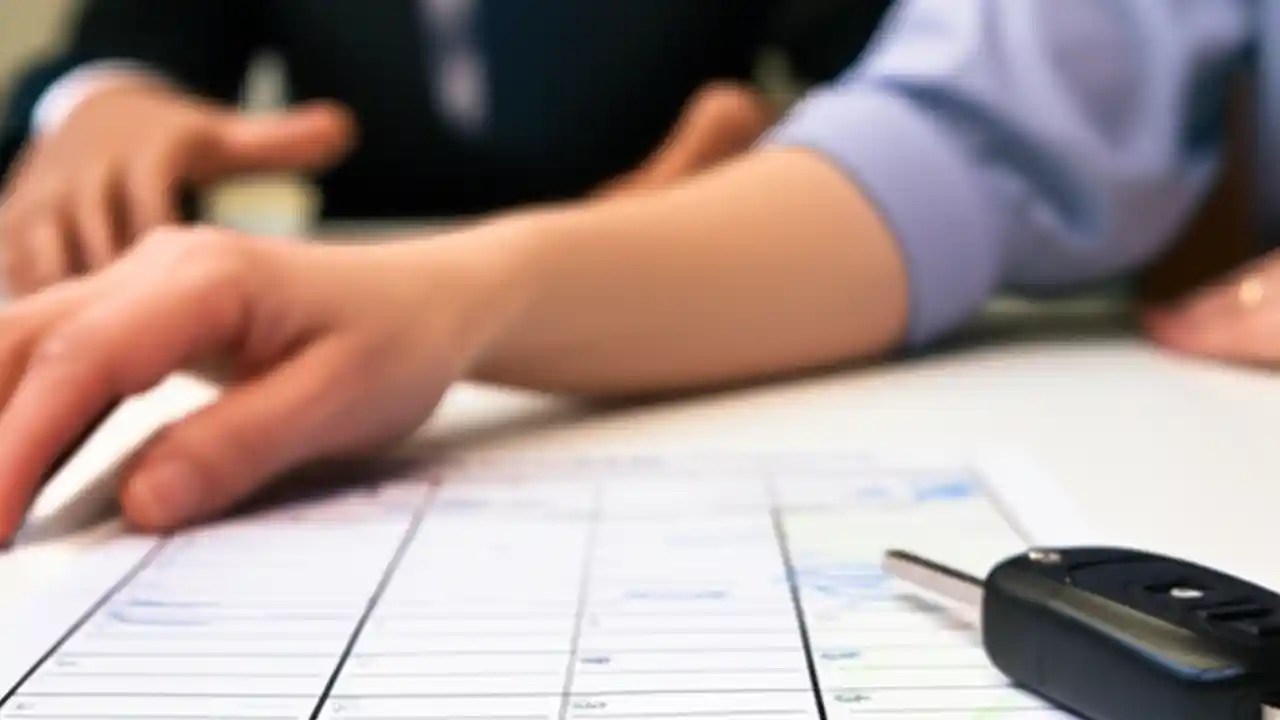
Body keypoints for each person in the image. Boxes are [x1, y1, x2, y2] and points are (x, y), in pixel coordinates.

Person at [0, 0, 1275, 544]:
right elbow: (955, 137)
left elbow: (858, 78)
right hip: (494, 305)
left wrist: (762, 136)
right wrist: (448, 297)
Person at [0, 0, 887, 294]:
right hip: (361, 290)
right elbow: (122, 49)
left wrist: (797, 149)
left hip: (679, 284)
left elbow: (905, 70)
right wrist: (102, 99)